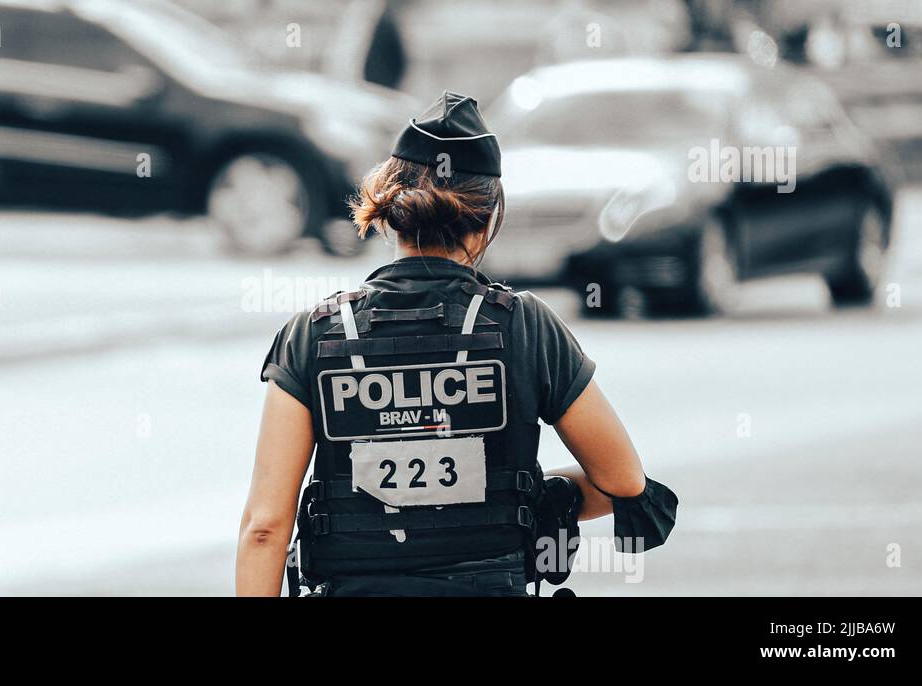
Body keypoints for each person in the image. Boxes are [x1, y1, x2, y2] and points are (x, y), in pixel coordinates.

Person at [236, 92, 677, 597]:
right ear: (489, 219)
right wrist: (542, 496)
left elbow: (266, 527)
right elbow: (622, 480)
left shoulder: (313, 334)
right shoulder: (525, 327)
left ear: (387, 206)